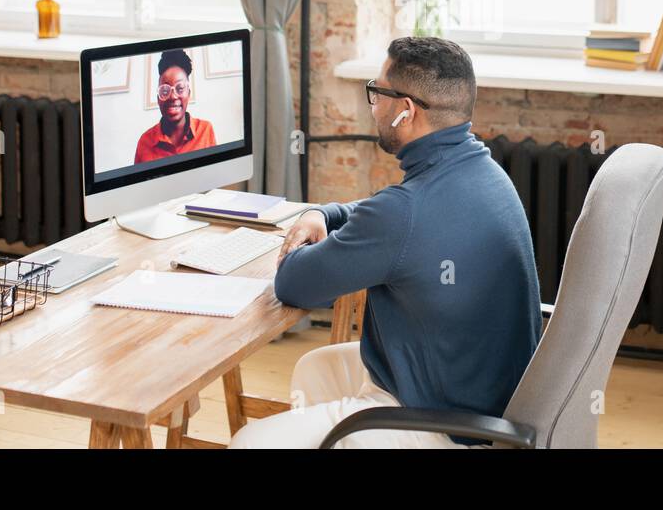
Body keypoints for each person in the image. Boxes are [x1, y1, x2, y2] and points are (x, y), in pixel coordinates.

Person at [230, 36, 541, 449]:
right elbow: (386, 218)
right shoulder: (484, 174)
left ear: (405, 111)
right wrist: (323, 214)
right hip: (482, 391)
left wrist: (307, 247)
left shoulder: (403, 213)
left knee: (252, 442)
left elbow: (294, 284)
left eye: (377, 93)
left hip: (445, 424)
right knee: (315, 369)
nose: (373, 104)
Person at [133, 49, 216, 164]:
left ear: (189, 94)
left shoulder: (205, 130)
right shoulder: (145, 142)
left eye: (180, 88)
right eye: (165, 90)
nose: (172, 96)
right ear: (158, 99)